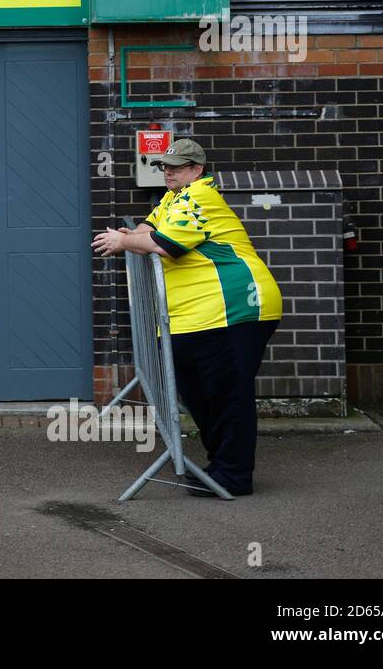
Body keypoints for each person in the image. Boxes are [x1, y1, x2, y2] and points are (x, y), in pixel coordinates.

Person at [91, 139, 282, 497]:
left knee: (226, 394)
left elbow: (167, 245)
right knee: (201, 394)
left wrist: (123, 241)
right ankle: (220, 468)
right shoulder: (171, 199)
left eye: (177, 167)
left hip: (234, 308)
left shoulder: (199, 197)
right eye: (165, 166)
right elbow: (147, 231)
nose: (169, 172)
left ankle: (233, 475)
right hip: (196, 317)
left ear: (197, 170)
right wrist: (133, 237)